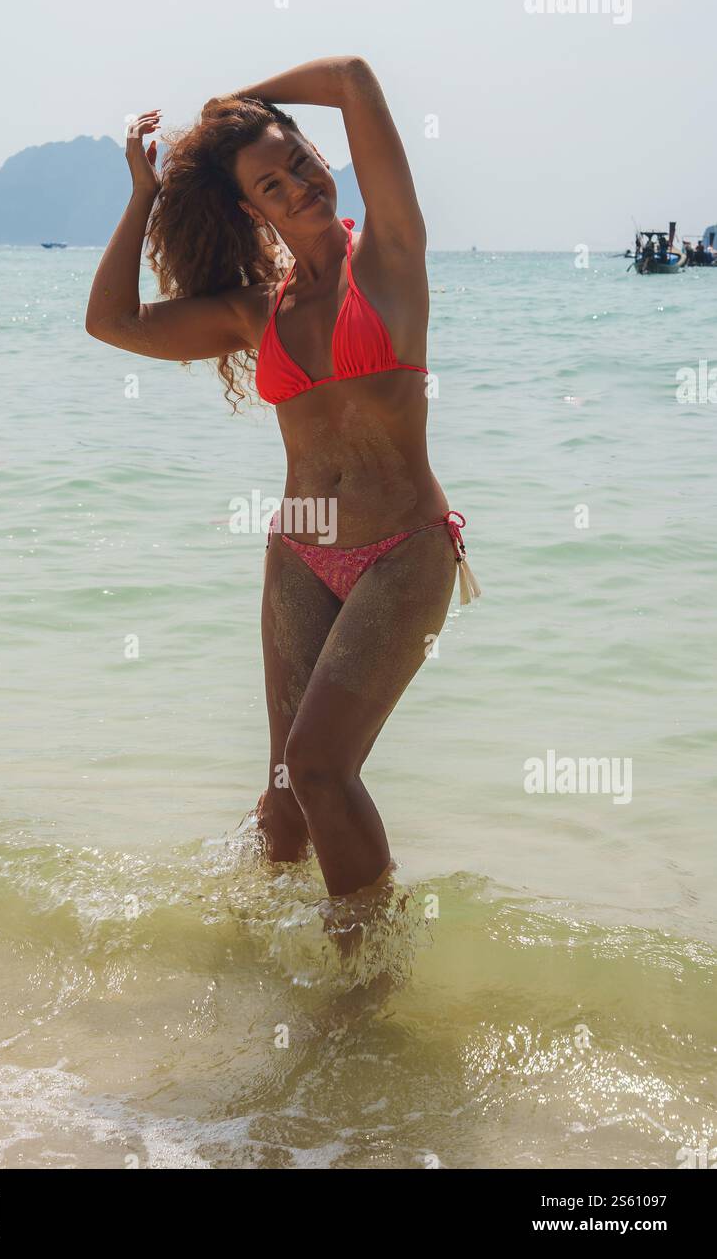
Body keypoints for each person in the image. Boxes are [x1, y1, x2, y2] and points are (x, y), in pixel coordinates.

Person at [85, 57, 479, 903]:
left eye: (300, 161)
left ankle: (365, 977)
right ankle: (261, 961)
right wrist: (144, 195)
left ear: (320, 154)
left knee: (320, 768)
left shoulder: (391, 254)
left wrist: (238, 105)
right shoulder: (256, 311)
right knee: (284, 801)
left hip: (402, 552)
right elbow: (110, 321)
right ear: (249, 210)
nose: (298, 186)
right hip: (300, 554)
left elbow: (353, 77)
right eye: (271, 184)